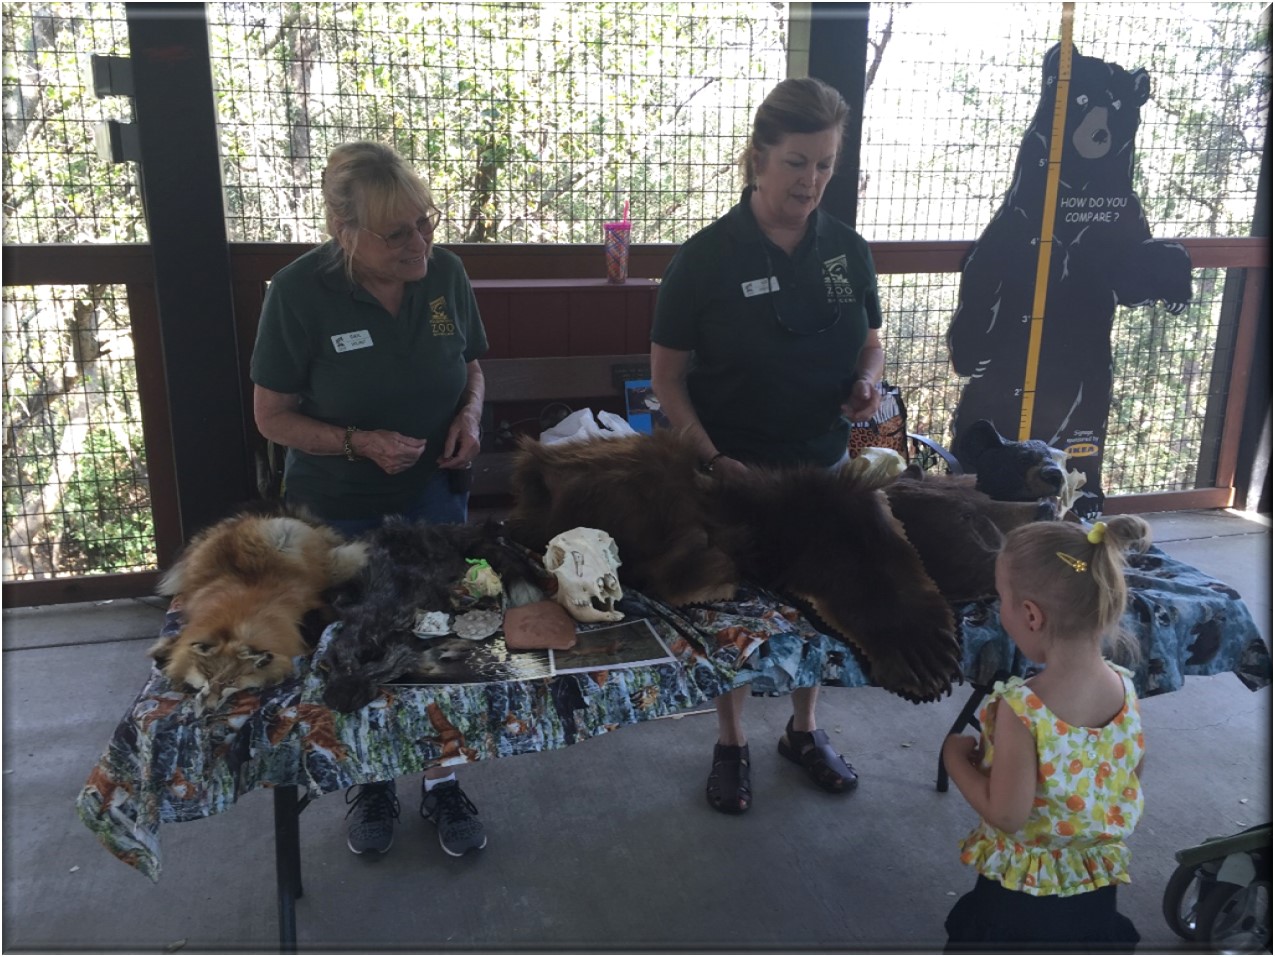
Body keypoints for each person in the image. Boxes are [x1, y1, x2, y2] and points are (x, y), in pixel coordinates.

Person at [650, 76, 884, 814]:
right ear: (757, 159)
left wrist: (867, 383)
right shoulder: (705, 258)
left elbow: (871, 340)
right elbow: (666, 379)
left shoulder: (846, 251)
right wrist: (713, 459)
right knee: (734, 609)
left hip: (820, 464)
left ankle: (804, 730)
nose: (811, 180)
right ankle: (730, 741)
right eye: (795, 162)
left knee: (816, 600)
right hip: (732, 469)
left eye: (824, 165)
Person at [250, 141, 489, 859]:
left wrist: (469, 417)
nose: (418, 243)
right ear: (343, 230)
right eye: (396, 233)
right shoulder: (298, 293)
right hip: (339, 508)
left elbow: (472, 365)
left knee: (441, 639)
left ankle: (443, 779)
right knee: (360, 647)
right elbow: (272, 416)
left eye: (426, 223)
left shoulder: (443, 275)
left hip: (434, 498)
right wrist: (358, 441)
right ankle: (374, 777)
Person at [941, 516, 1152, 951]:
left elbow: (1007, 814)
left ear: (1031, 614)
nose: (1002, 610)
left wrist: (953, 759)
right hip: (1093, 891)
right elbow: (1130, 771)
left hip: (1019, 900)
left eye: (1003, 599)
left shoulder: (1022, 709)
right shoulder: (1124, 688)